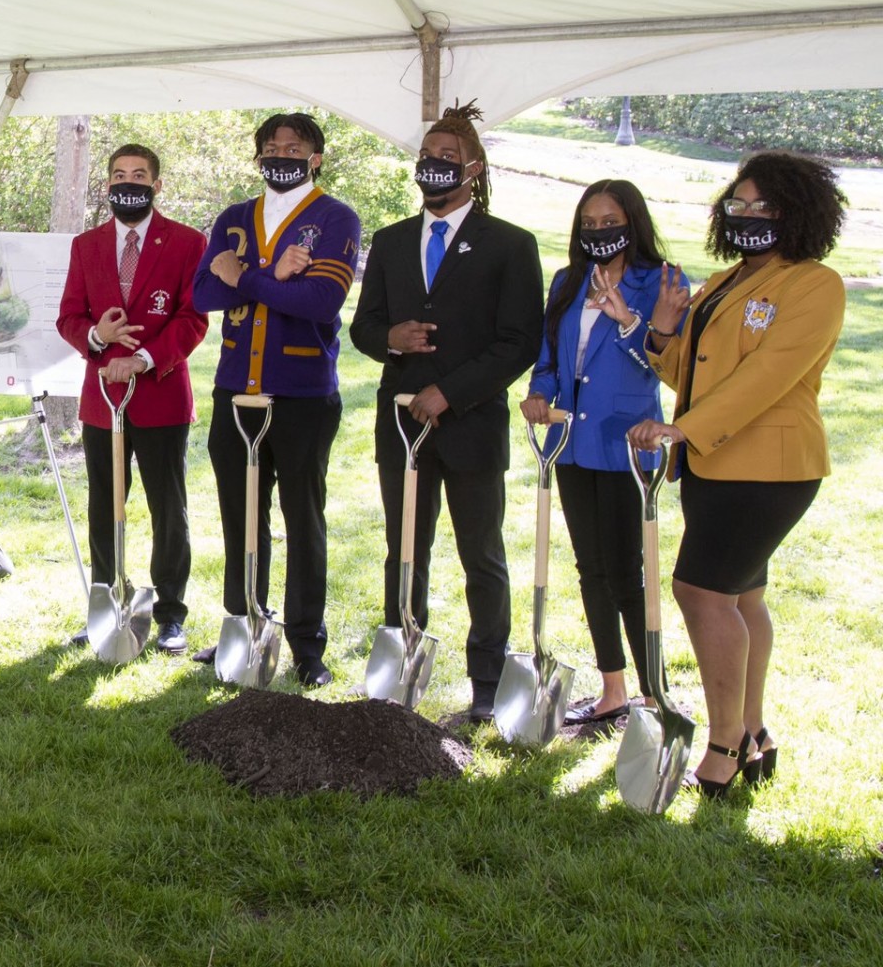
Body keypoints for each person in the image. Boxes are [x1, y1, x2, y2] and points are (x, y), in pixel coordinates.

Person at [627, 150, 846, 798]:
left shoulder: (814, 285)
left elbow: (766, 378)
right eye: (740, 204)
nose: (750, 216)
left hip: (769, 468)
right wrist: (662, 332)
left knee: (701, 592)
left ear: (798, 212)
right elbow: (693, 375)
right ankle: (752, 732)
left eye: (765, 206)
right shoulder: (723, 282)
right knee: (742, 597)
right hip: (712, 463)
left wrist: (682, 429)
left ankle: (722, 748)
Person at [349, 101, 543, 722]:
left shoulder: (511, 245)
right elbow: (364, 326)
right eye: (427, 155)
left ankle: (487, 682)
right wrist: (389, 339)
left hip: (471, 424)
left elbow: (519, 341)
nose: (433, 165)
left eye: (447, 158)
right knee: (404, 548)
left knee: (480, 553)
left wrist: (451, 393)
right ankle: (401, 664)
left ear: (473, 168)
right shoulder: (391, 240)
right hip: (401, 421)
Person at [191, 113, 361, 687]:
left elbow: (319, 300)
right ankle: (243, 627)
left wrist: (244, 276)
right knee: (242, 516)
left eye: (293, 147)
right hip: (236, 389)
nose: (280, 154)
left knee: (303, 517)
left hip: (303, 393)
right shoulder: (236, 218)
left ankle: (307, 646)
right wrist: (269, 274)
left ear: (315, 157)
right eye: (270, 146)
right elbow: (201, 293)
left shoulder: (335, 218)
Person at [520, 180, 686, 728]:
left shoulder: (660, 283)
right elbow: (549, 353)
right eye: (588, 223)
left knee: (625, 572)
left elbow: (665, 365)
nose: (599, 231)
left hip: (625, 444)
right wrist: (541, 392)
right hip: (570, 443)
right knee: (590, 566)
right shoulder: (569, 281)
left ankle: (653, 692)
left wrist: (630, 321)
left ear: (631, 221)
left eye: (609, 220)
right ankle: (612, 688)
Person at [56, 143, 210, 654]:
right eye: (119, 175)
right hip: (103, 399)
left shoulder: (188, 243)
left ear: (156, 185)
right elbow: (69, 318)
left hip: (161, 396)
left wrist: (143, 358)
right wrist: (97, 338)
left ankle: (170, 615)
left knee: (169, 508)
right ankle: (108, 604)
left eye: (139, 175)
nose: (129, 182)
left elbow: (193, 319)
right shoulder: (87, 245)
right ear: (108, 185)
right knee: (104, 507)